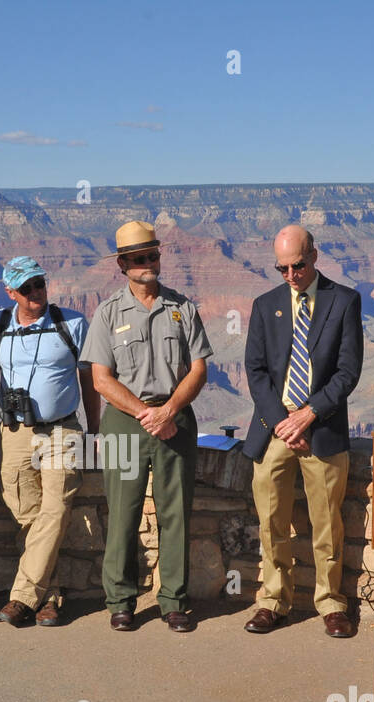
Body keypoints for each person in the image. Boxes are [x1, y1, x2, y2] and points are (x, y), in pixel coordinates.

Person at [81, 221, 213, 633]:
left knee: (177, 514)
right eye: (139, 258)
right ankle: (120, 600)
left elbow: (199, 368)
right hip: (124, 423)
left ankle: (174, 600)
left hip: (175, 419)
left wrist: (170, 410)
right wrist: (147, 415)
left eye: (153, 255)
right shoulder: (107, 313)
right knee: (123, 512)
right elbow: (101, 379)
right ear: (123, 264)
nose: (148, 264)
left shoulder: (181, 308)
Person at [242, 225, 364, 639]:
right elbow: (256, 371)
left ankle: (331, 604)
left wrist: (309, 414)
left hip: (321, 428)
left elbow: (348, 371)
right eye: (282, 268)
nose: (291, 275)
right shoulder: (265, 304)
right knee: (271, 520)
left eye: (298, 265)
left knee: (327, 521)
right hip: (275, 427)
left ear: (314, 255)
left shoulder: (344, 301)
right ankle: (273, 601)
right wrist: (282, 421)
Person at [0, 256, 100, 627]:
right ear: (10, 292)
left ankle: (22, 597)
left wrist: (93, 432)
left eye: (40, 284)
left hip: (62, 430)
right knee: (27, 514)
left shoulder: (72, 323)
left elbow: (90, 380)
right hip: (14, 432)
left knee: (56, 510)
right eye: (27, 288)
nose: (37, 293)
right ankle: (51, 597)